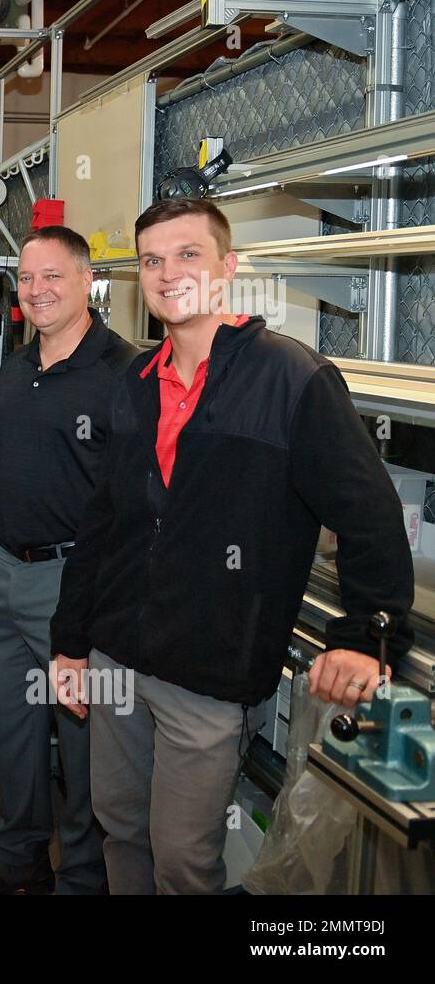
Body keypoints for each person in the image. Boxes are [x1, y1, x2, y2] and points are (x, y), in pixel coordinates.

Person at [49, 197, 415, 894]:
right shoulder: (135, 381)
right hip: (116, 655)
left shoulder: (292, 378)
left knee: (184, 860)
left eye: (188, 254)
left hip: (210, 675)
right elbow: (103, 523)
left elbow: (369, 513)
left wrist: (365, 636)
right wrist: (70, 642)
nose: (168, 273)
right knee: (119, 827)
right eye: (152, 260)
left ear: (227, 267)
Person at [0, 227, 136, 896]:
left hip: (71, 583)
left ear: (88, 281)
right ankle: (20, 856)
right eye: (27, 279)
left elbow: (135, 503)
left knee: (83, 746)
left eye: (52, 276)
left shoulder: (124, 371)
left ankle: (83, 878)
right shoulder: (18, 364)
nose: (37, 290)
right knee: (12, 732)